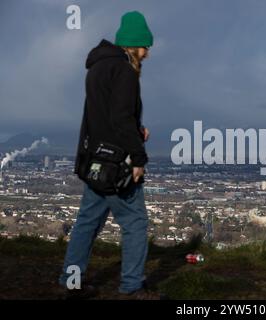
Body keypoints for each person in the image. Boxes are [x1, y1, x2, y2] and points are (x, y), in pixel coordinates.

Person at [59, 11, 155, 299]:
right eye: (146, 47)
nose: (147, 53)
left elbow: (102, 117)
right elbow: (120, 118)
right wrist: (138, 157)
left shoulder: (98, 68)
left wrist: (136, 130)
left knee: (87, 222)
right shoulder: (125, 71)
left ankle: (71, 281)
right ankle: (132, 286)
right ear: (134, 45)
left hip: (94, 161)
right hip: (116, 165)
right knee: (135, 224)